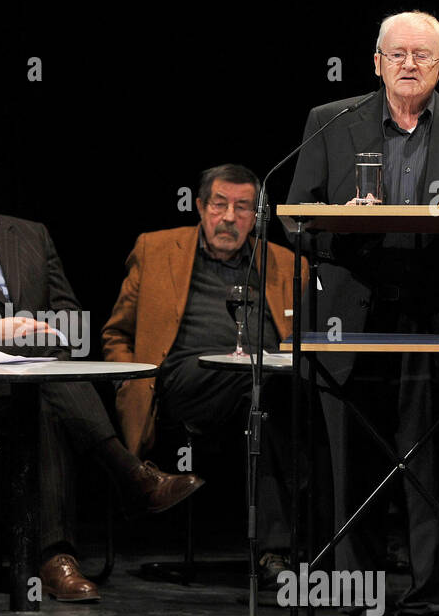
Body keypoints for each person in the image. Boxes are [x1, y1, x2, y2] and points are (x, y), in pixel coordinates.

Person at [0, 120, 201, 603]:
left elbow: (71, 315)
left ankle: (55, 559)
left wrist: (45, 333)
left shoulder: (31, 234)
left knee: (43, 395)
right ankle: (132, 477)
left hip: (34, 380)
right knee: (46, 387)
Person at [285, 11, 439, 616]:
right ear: (376, 62)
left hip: (437, 317)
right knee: (350, 471)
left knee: (430, 473)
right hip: (350, 318)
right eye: (396, 53)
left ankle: (426, 615)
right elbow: (295, 225)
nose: (408, 63)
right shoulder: (328, 121)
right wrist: (339, 221)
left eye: (423, 55)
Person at [102, 164, 304, 586]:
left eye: (243, 207)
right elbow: (117, 331)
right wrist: (129, 379)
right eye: (219, 204)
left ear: (256, 216)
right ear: (200, 206)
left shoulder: (287, 263)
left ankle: (275, 553)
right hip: (184, 378)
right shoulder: (155, 248)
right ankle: (283, 548)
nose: (229, 217)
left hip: (264, 382)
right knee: (263, 383)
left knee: (267, 398)